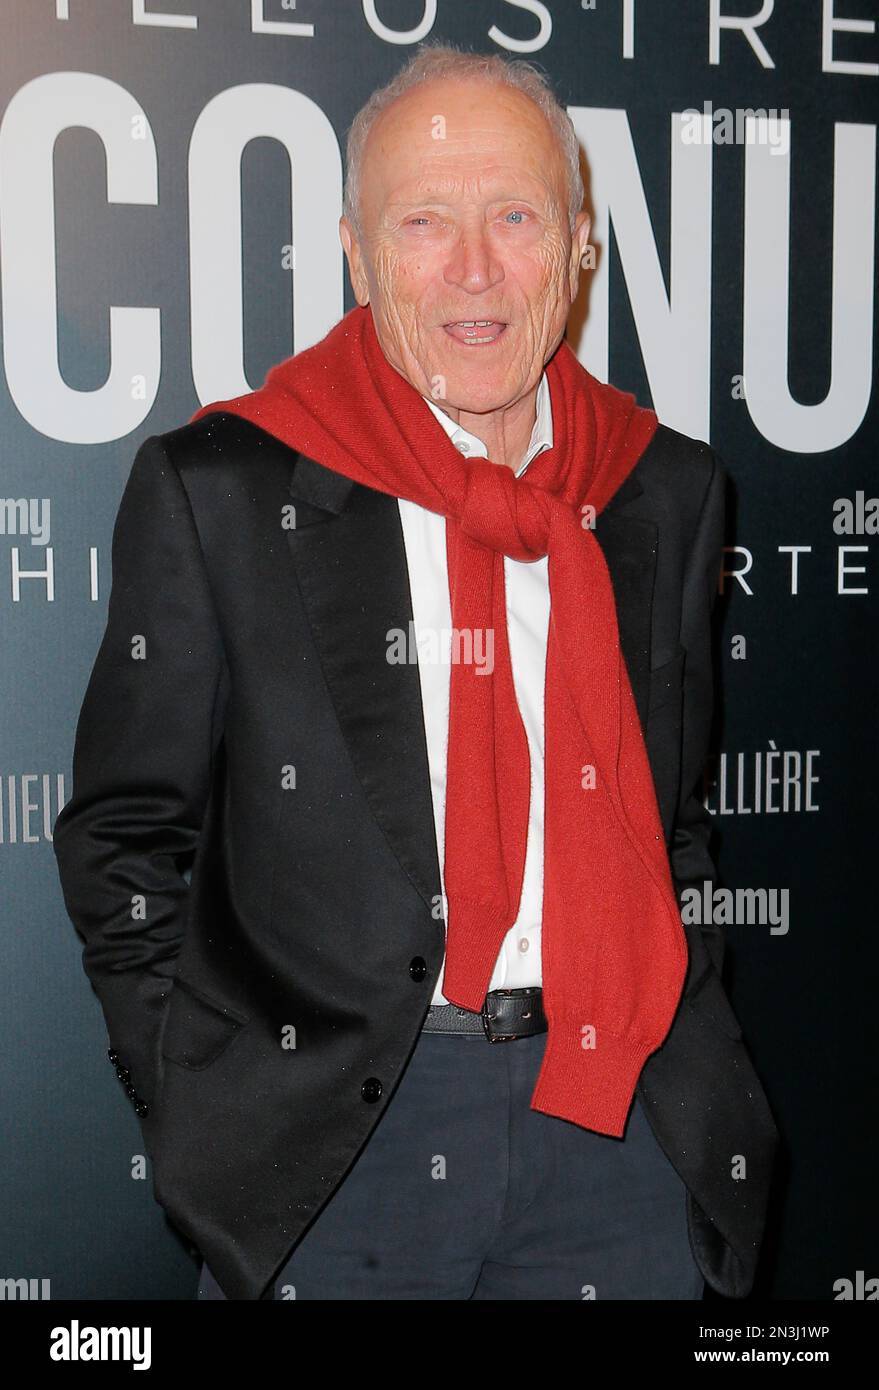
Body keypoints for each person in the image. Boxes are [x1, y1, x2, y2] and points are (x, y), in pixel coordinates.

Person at [53, 42, 779, 1301]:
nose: (476, 270)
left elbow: (674, 833)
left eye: (514, 216)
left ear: (579, 241)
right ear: (354, 250)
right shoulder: (223, 490)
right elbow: (125, 836)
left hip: (619, 1127)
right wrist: (189, 1091)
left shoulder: (664, 490)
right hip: (337, 1148)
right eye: (424, 223)